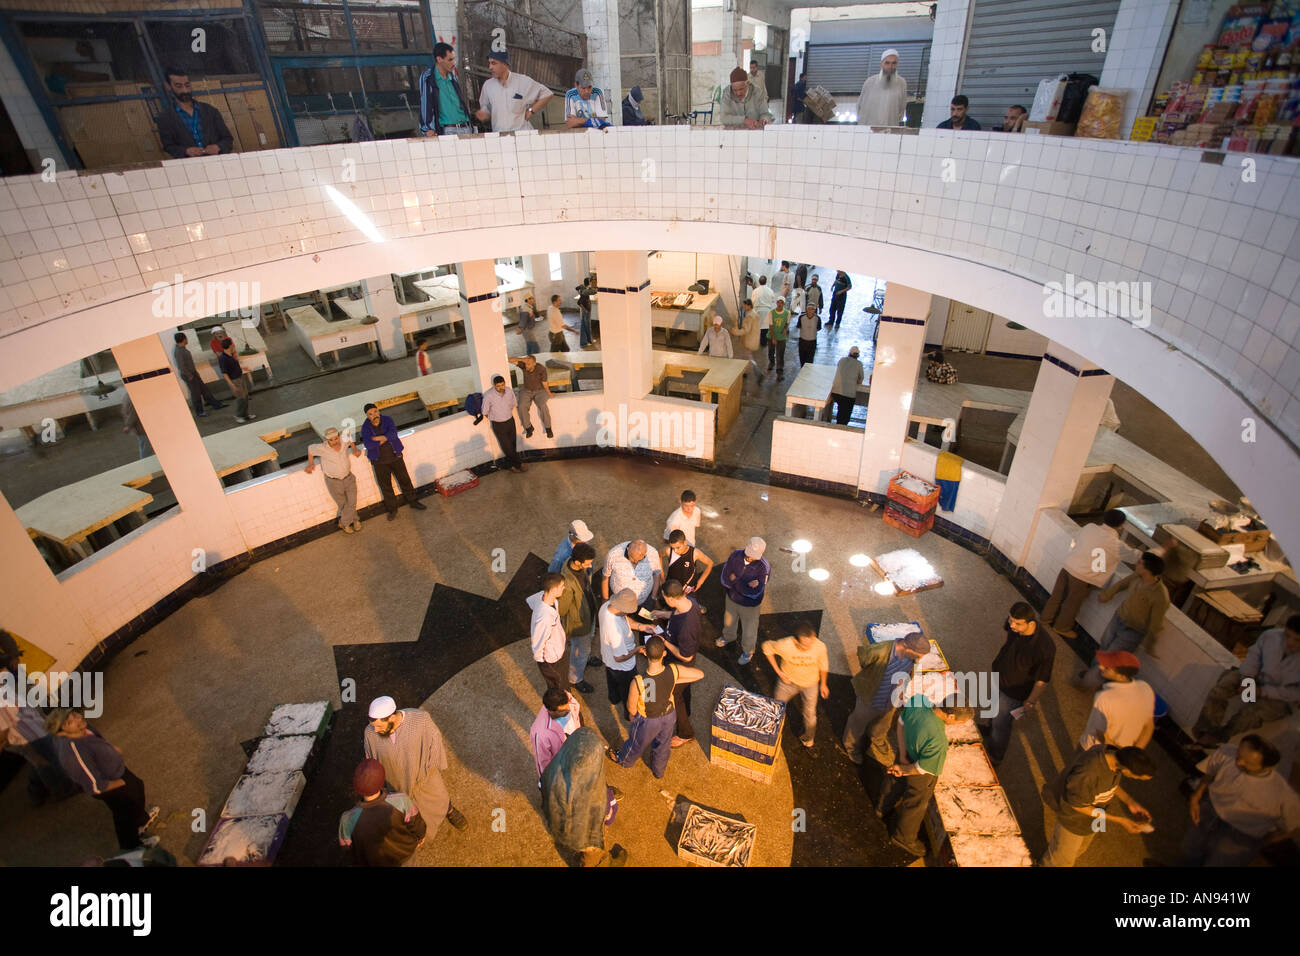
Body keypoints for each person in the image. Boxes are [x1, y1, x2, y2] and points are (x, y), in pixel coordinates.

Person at [47, 708, 160, 851]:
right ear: (62, 732)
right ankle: (131, 846)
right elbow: (94, 785)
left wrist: (111, 749)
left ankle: (140, 822)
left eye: (74, 715)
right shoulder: (73, 752)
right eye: (70, 722)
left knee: (137, 787)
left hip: (117, 772)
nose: (78, 719)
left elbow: (98, 739)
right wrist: (120, 783)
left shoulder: (84, 728)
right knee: (123, 813)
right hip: (109, 784)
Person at [877, 695, 975, 857]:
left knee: (894, 781)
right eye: (959, 722)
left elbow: (901, 722)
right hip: (917, 769)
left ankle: (881, 808)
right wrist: (905, 769)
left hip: (905, 751)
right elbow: (922, 768)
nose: (960, 724)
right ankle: (904, 838)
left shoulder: (918, 701)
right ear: (950, 716)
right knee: (916, 802)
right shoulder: (938, 741)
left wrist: (901, 755)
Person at [1181, 735, 1300, 866]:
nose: (1239, 763)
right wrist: (1196, 796)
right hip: (1210, 810)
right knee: (1189, 851)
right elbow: (1211, 772)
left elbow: (1296, 826)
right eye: (1239, 755)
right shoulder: (1227, 751)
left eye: (1247, 763)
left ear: (1267, 767)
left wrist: (1267, 841)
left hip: (1240, 835)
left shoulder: (1282, 794)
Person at [364, 696, 468, 835]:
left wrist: (429, 768)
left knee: (438, 798)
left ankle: (449, 810)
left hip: (424, 778)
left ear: (392, 718)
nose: (375, 730)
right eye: (373, 726)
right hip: (396, 784)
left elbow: (435, 742)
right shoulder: (369, 733)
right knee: (408, 814)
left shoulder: (420, 719)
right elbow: (371, 759)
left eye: (379, 726)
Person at [1039, 744, 1155, 867]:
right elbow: (1077, 805)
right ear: (1126, 770)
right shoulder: (1089, 771)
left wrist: (1130, 801)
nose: (1135, 779)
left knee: (1079, 849)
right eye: (1137, 778)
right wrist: (1121, 820)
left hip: (1094, 817)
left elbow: (1108, 784)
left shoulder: (1115, 758)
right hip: (1075, 819)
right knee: (1061, 861)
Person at [1192, 615, 1300, 746]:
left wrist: (1262, 691)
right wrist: (1247, 679)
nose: (1290, 642)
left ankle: (1219, 737)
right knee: (1220, 690)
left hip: (1279, 696)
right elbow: (1253, 656)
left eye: (1297, 640)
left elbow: (1295, 692)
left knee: (1250, 715)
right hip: (1256, 677)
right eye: (1287, 636)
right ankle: (1206, 729)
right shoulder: (1271, 636)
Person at [608, 635, 704, 777]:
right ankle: (658, 771)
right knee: (663, 745)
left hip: (648, 721)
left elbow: (631, 707)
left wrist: (632, 715)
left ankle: (624, 760)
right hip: (669, 715)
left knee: (636, 743)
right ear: (664, 654)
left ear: (645, 653)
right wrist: (676, 680)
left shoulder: (639, 681)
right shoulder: (673, 670)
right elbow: (699, 674)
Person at [1042, 509, 1141, 638]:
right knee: (1072, 603)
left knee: (1056, 595)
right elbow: (1136, 557)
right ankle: (1061, 627)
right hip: (1082, 577)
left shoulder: (1090, 527)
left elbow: (1077, 537)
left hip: (1068, 566)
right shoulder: (1116, 545)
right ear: (1121, 526)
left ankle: (1045, 618)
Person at [1078, 552, 1170, 688]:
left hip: (1132, 631)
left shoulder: (1160, 595)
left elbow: (1156, 622)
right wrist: (1107, 594)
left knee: (1110, 657)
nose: (1136, 564)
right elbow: (1122, 584)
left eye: (1139, 563)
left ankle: (1089, 682)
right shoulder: (1137, 577)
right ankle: (1093, 674)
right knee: (1104, 645)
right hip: (1119, 618)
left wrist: (1150, 644)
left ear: (1147, 569)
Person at [840, 630, 931, 766]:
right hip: (871, 697)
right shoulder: (880, 650)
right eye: (919, 655)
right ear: (908, 647)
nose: (920, 659)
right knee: (857, 723)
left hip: (892, 698)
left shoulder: (912, 657)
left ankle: (877, 738)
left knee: (884, 722)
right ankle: (851, 747)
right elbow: (864, 658)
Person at [541, 727, 627, 866]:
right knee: (593, 853)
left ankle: (580, 855)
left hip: (562, 825)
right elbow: (609, 817)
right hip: (584, 834)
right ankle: (598, 862)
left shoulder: (556, 770)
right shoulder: (599, 795)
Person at [984, 603, 1054, 764]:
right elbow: (1007, 640)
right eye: (1011, 620)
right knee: (993, 708)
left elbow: (1042, 679)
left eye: (1017, 623)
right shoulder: (1013, 626)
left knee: (1001, 723)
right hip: (999, 677)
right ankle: (989, 729)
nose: (1012, 625)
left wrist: (1031, 701)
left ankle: (995, 756)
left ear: (1030, 623)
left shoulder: (1044, 647)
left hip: (1014, 691)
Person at [337, 758, 427, 867]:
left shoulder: (347, 819)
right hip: (405, 858)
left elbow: (347, 848)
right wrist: (420, 836)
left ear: (356, 786)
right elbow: (417, 824)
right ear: (382, 781)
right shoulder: (401, 800)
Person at [762, 623, 830, 748]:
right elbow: (766, 647)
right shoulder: (784, 645)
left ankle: (808, 738)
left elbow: (823, 665)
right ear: (795, 641)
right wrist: (779, 672)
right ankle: (771, 734)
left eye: (812, 643)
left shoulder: (819, 646)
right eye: (805, 645)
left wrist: (823, 684)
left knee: (810, 714)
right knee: (776, 708)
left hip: (811, 684)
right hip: (788, 683)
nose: (810, 647)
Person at [654, 580, 703, 746]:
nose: (665, 601)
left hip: (680, 663)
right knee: (684, 689)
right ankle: (686, 711)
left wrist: (663, 642)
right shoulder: (690, 602)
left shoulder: (686, 627)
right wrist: (662, 614)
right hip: (678, 658)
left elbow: (686, 656)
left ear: (671, 599)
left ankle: (685, 733)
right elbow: (676, 614)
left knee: (674, 694)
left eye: (665, 598)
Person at [1, 695, 76, 804]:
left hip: (33, 729)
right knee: (45, 763)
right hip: (26, 736)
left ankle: (36, 790)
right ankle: (62, 790)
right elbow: (3, 730)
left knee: (40, 759)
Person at [360, 402, 427, 519]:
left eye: (375, 411)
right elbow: (368, 444)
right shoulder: (365, 428)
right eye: (370, 414)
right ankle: (392, 509)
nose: (374, 415)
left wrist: (379, 438)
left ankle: (413, 501)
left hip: (395, 456)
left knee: (405, 480)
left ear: (378, 411)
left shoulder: (388, 420)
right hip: (379, 462)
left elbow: (393, 435)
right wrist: (385, 437)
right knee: (386, 486)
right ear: (367, 416)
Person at [1078, 651, 1155, 751]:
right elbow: (1149, 728)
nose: (1101, 667)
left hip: (1093, 748)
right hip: (1121, 754)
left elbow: (1098, 732)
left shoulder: (1104, 697)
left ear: (1121, 676)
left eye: (1107, 667)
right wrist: (1128, 755)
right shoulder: (1145, 688)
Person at [599, 588, 657, 720]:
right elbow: (619, 657)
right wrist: (637, 650)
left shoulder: (606, 606)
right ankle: (628, 714)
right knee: (628, 690)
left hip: (608, 659)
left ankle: (614, 698)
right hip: (624, 666)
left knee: (612, 680)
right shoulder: (613, 629)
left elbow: (626, 620)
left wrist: (641, 626)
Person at [156, 66, 233, 160]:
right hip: (190, 166)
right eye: (178, 86)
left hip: (217, 161)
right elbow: (168, 146)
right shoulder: (165, 118)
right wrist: (186, 151)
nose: (185, 90)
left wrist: (218, 147)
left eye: (187, 85)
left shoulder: (210, 111)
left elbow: (228, 139)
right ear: (168, 86)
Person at [715, 536, 770, 665]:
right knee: (728, 621)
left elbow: (756, 593)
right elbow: (724, 579)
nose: (751, 558)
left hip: (750, 606)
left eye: (755, 556)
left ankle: (748, 651)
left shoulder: (764, 567)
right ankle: (729, 637)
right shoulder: (735, 555)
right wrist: (744, 584)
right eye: (750, 553)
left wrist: (735, 580)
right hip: (732, 598)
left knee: (750, 630)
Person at [304, 425, 365, 534]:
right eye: (331, 440)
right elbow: (310, 449)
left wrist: (354, 448)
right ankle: (355, 520)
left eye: (336, 438)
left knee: (352, 502)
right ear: (326, 440)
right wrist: (311, 463)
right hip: (333, 481)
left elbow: (349, 437)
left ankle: (343, 523)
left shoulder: (344, 439)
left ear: (338, 436)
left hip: (348, 477)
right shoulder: (322, 448)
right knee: (343, 504)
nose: (334, 441)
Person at [474, 49, 551, 132]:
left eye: (494, 63)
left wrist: (530, 111)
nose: (490, 67)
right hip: (500, 137)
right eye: (489, 63)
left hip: (522, 135)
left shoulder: (522, 81)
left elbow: (547, 93)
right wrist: (484, 113)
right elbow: (486, 107)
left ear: (504, 64)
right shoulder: (488, 86)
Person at [558, 542, 598, 693]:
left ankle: (586, 658)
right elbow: (562, 609)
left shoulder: (575, 565)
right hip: (580, 623)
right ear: (577, 562)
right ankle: (576, 679)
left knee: (586, 644)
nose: (590, 566)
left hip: (589, 615)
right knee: (579, 651)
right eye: (587, 563)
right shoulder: (567, 582)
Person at [418, 42, 476, 136]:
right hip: (449, 130)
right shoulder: (429, 77)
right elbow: (425, 102)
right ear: (439, 59)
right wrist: (427, 128)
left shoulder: (452, 77)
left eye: (454, 59)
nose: (453, 63)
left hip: (466, 127)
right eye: (450, 60)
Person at [529, 573, 571, 692]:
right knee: (560, 687)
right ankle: (565, 707)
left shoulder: (544, 598)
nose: (564, 588)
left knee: (561, 683)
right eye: (562, 586)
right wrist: (543, 663)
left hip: (556, 652)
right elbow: (538, 641)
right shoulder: (545, 617)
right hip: (551, 659)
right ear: (553, 590)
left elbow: (531, 602)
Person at [531, 687, 583, 781]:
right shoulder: (540, 734)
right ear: (550, 711)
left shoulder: (568, 700)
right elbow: (542, 762)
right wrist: (547, 781)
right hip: (563, 766)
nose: (569, 711)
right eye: (563, 711)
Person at [172, 331, 224, 418]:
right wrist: (190, 375)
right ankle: (199, 412)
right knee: (196, 393)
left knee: (204, 390)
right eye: (186, 338)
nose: (187, 340)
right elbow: (181, 366)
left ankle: (216, 404)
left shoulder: (183, 349)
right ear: (183, 339)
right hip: (189, 375)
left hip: (193, 373)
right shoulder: (179, 351)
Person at [481, 374, 525, 473]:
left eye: (502, 385)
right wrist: (495, 417)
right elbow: (485, 412)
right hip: (498, 424)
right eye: (498, 386)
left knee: (513, 444)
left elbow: (514, 403)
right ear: (494, 385)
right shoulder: (488, 395)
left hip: (510, 420)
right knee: (507, 447)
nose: (501, 388)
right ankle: (519, 463)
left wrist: (506, 412)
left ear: (504, 383)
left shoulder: (509, 390)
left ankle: (511, 465)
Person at [855, 49, 909, 128]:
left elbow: (901, 108)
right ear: (881, 64)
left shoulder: (901, 83)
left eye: (894, 63)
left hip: (890, 129)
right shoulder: (870, 82)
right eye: (887, 63)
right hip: (869, 129)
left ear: (897, 64)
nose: (890, 66)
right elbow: (860, 106)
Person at [602, 539, 663, 608]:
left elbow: (657, 574)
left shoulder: (653, 554)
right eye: (633, 559)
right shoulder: (613, 555)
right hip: (620, 602)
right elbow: (605, 576)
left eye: (640, 559)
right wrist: (605, 599)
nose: (635, 562)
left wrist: (653, 597)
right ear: (628, 549)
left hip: (643, 601)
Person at [509, 353, 553, 439]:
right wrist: (522, 359)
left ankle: (548, 428)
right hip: (526, 390)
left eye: (529, 364)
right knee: (521, 406)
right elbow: (509, 359)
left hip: (540, 390)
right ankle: (528, 428)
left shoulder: (541, 369)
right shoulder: (523, 365)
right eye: (526, 364)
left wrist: (549, 393)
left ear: (534, 363)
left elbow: (544, 383)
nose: (526, 366)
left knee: (543, 406)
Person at [662, 530, 714, 597]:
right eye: (673, 548)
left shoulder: (695, 553)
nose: (675, 551)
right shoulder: (668, 551)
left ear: (685, 542)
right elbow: (658, 555)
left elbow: (710, 563)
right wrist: (661, 574)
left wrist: (701, 581)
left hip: (688, 586)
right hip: (672, 584)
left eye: (678, 547)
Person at [218, 338, 255, 423]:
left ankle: (245, 414)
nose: (233, 346)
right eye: (232, 345)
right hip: (235, 380)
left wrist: (243, 368)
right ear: (230, 346)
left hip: (240, 377)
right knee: (240, 398)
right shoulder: (223, 358)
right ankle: (239, 415)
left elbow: (234, 366)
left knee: (245, 397)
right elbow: (224, 373)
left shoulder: (231, 355)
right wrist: (231, 384)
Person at [830, 346, 864, 425]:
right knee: (845, 414)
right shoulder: (859, 364)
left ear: (849, 353)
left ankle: (838, 424)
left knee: (841, 409)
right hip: (848, 395)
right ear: (858, 355)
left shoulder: (841, 360)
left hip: (836, 392)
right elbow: (860, 380)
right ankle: (842, 426)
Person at [120, 394, 151, 460]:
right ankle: (144, 461)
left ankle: (145, 459)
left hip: (138, 428)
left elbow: (124, 411)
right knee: (145, 446)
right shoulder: (133, 397)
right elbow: (133, 414)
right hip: (141, 428)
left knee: (143, 444)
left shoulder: (126, 396)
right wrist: (128, 425)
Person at [752, 274, 775, 351]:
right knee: (765, 328)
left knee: (757, 327)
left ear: (759, 281)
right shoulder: (770, 290)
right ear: (766, 282)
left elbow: (753, 301)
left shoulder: (755, 291)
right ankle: (763, 343)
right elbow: (772, 301)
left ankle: (755, 342)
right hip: (766, 311)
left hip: (757, 310)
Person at [769, 296, 790, 376]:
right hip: (772, 335)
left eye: (781, 302)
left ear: (784, 304)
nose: (780, 304)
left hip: (781, 337)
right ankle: (771, 362)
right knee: (771, 351)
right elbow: (770, 326)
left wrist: (785, 329)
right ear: (776, 303)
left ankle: (779, 369)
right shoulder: (771, 312)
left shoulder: (787, 313)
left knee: (780, 353)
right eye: (778, 302)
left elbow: (787, 323)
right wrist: (773, 338)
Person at [574, 274, 596, 348]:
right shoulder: (585, 291)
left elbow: (576, 288)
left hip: (585, 310)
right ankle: (589, 341)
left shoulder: (582, 286)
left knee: (584, 326)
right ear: (589, 283)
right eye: (591, 282)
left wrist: (579, 292)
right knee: (587, 326)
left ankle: (585, 342)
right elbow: (579, 303)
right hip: (586, 311)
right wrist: (585, 310)